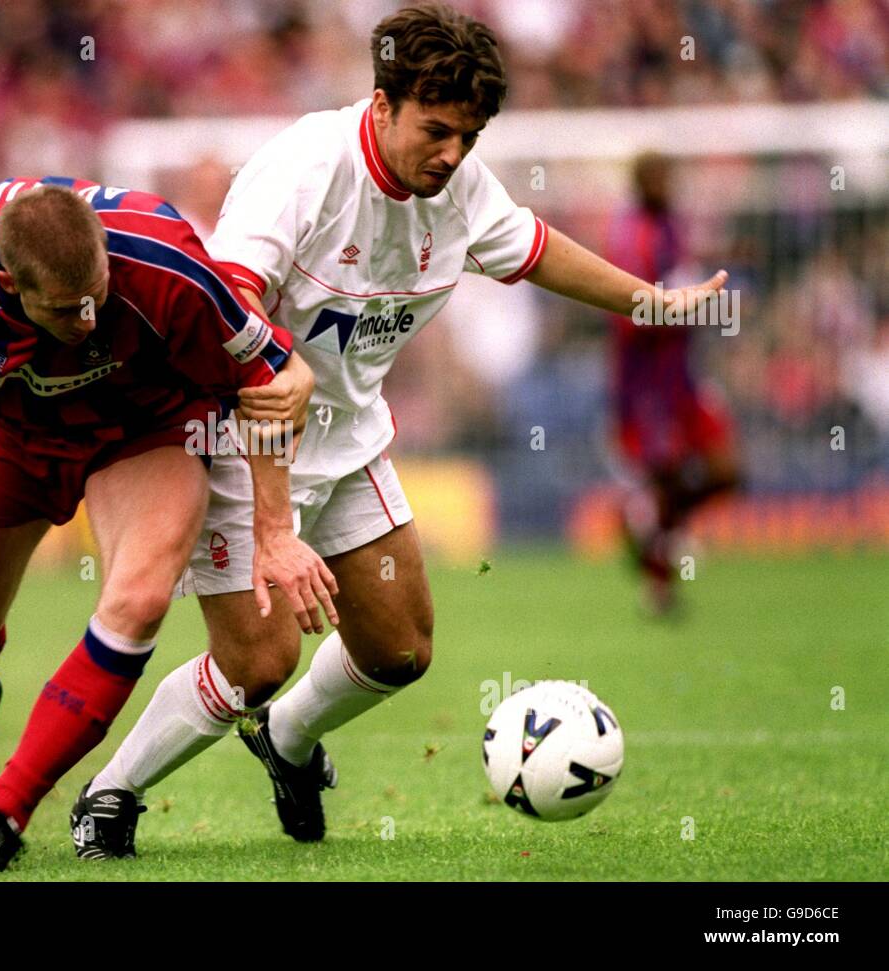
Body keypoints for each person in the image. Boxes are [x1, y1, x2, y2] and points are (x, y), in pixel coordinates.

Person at [71, 3, 729, 858]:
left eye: (470, 136)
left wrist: (651, 298)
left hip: (347, 440)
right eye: (437, 130)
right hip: (236, 436)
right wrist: (273, 531)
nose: (452, 154)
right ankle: (110, 790)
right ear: (381, 105)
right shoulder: (300, 175)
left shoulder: (455, 187)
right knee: (258, 662)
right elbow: (234, 346)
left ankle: (288, 740)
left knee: (399, 649)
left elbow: (535, 248)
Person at [0, 176, 335, 870]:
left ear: (107, 253)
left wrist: (274, 531)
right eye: (63, 308)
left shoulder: (168, 265)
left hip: (147, 426)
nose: (85, 318)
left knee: (138, 600)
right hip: (21, 433)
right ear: (9, 285)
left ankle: (5, 811)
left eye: (96, 295)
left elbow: (271, 383)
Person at [605, 153, 740, 614]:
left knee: (726, 471)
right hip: (646, 384)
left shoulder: (672, 227)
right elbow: (628, 314)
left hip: (682, 376)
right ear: (641, 183)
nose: (666, 185)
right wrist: (672, 307)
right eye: (658, 177)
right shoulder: (631, 235)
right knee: (665, 480)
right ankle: (659, 583)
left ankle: (642, 521)